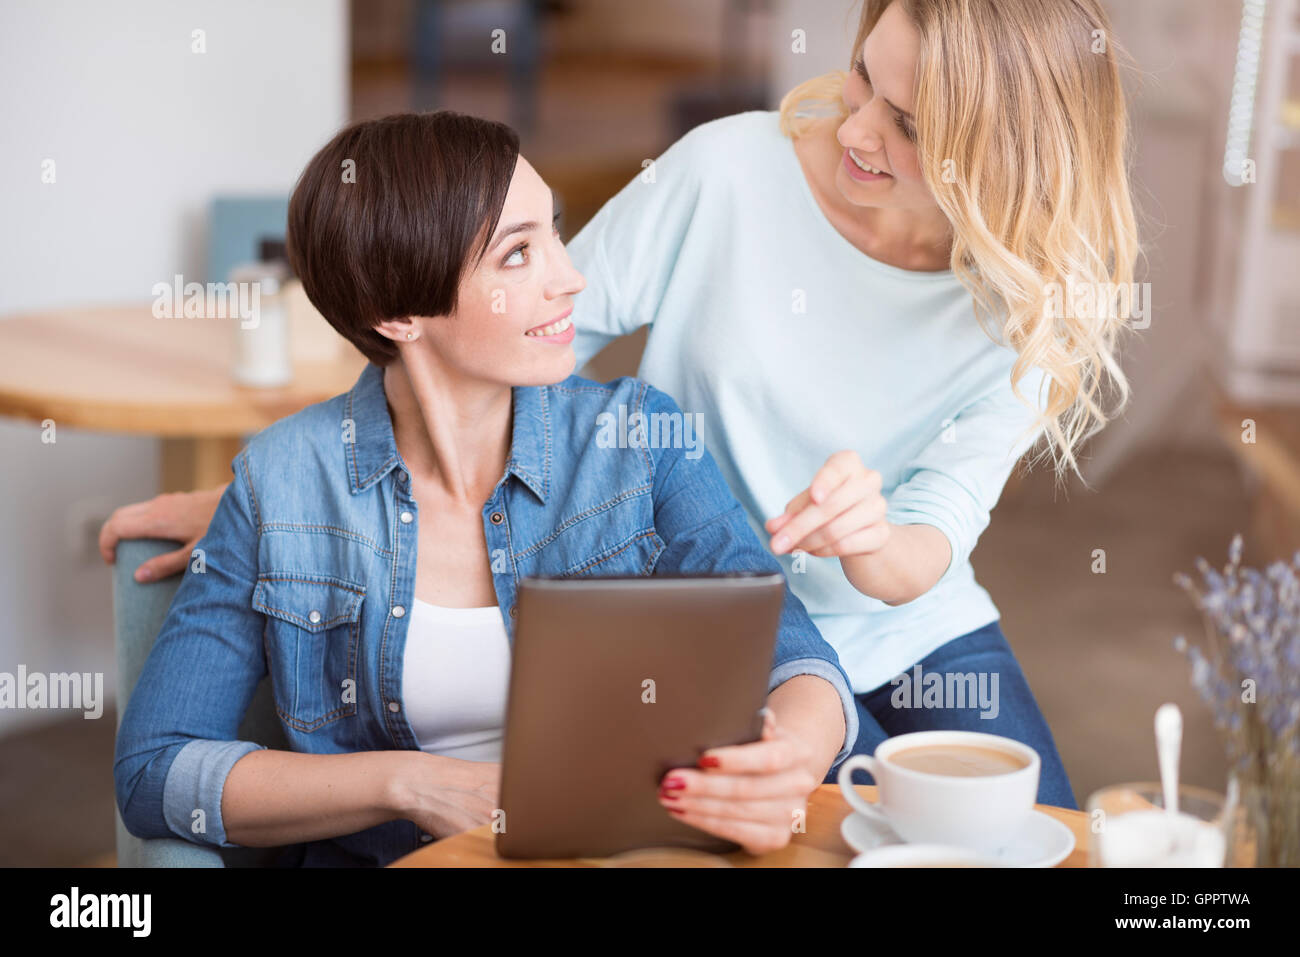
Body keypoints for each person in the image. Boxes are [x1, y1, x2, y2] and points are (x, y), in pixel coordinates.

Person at [106, 0, 1140, 811]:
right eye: (866, 75)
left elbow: (932, 539)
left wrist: (871, 547)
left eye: (909, 126)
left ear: (998, 153)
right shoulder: (733, 172)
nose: (856, 128)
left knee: (1042, 838)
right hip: (692, 592)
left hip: (908, 621)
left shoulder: (1039, 299)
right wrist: (306, 492)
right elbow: (500, 328)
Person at [113, 111, 858, 866]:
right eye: (517, 256)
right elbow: (154, 769)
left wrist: (791, 755)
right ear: (397, 313)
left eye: (555, 236)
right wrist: (413, 784)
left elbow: (795, 656)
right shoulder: (281, 486)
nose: (570, 279)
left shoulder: (636, 438)